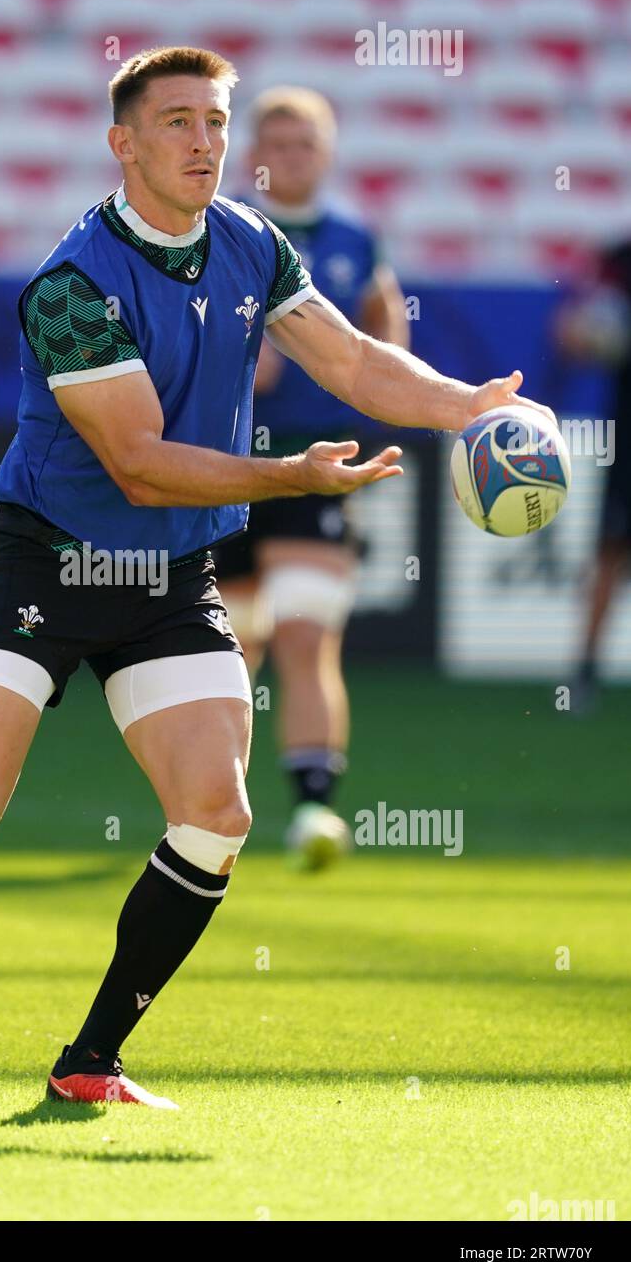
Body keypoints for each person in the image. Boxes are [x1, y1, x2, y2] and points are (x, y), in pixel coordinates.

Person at [0, 47, 553, 1109]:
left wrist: (466, 406)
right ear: (121, 142)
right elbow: (137, 463)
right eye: (176, 122)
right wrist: (289, 476)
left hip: (172, 579)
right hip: (51, 564)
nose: (203, 143)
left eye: (215, 122)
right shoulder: (72, 284)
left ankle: (90, 1060)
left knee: (214, 813)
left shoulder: (250, 243)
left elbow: (353, 361)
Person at [214, 87, 409, 869]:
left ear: (325, 155)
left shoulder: (354, 239)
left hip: (316, 459)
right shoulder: (219, 231)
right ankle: (211, 811)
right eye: (277, 144)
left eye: (305, 145)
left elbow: (383, 324)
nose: (290, 158)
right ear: (254, 155)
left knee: (303, 633)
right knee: (227, 649)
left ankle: (313, 810)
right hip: (223, 464)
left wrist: (383, 388)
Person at [557, 237, 631, 708]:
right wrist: (589, 331)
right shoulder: (622, 262)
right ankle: (585, 670)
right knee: (611, 552)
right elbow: (569, 335)